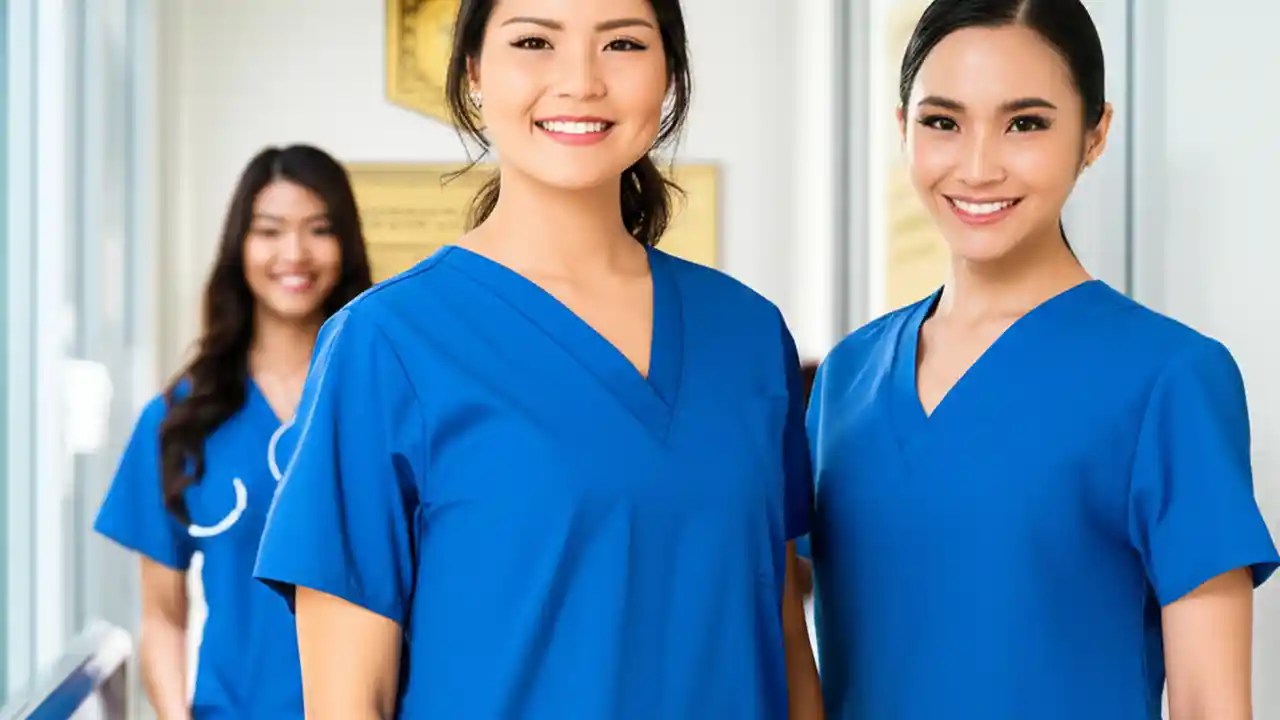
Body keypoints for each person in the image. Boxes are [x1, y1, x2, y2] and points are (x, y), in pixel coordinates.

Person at [252, 0, 822, 718]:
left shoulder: (746, 336)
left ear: (669, 75)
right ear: (473, 76)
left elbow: (780, 638)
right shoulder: (384, 345)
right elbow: (345, 702)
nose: (580, 80)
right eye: (533, 41)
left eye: (622, 43)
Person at [805, 1, 1279, 718]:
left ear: (1095, 134)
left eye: (1025, 123)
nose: (978, 165)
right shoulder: (847, 376)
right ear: (903, 128)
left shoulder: (1169, 378)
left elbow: (1212, 703)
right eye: (943, 122)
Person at [94, 144, 374, 719]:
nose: (294, 253)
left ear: (345, 245)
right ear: (239, 247)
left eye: (319, 229)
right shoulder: (180, 419)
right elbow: (163, 615)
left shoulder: (382, 401)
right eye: (269, 231)